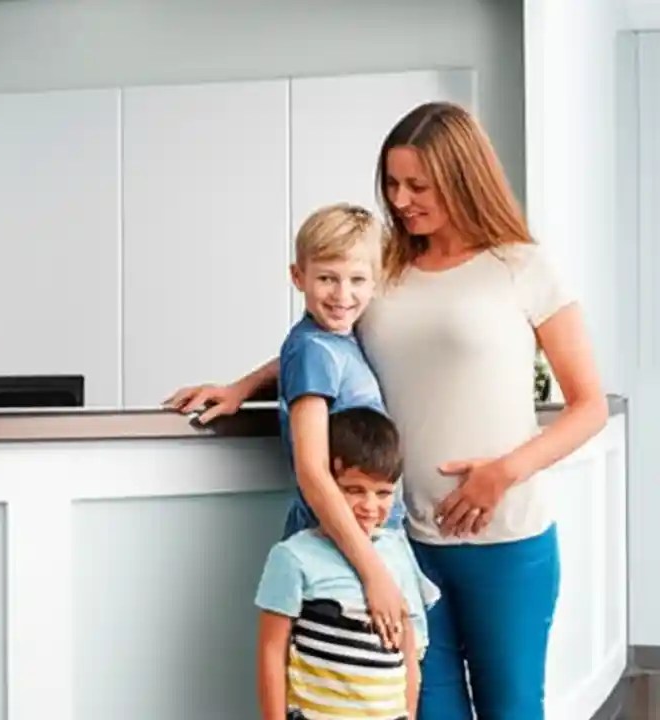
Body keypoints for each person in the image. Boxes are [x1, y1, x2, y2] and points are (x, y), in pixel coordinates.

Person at [168, 101, 608, 719]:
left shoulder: (522, 267)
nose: (400, 201)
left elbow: (589, 406)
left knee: (511, 710)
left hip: (506, 539)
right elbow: (328, 342)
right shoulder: (386, 269)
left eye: (417, 186)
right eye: (393, 184)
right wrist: (244, 386)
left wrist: (502, 473)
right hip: (403, 542)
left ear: (461, 176)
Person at [275, 202, 410, 650]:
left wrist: (244, 385)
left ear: (375, 282)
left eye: (357, 280)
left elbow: (307, 360)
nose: (342, 294)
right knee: (350, 678)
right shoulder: (314, 349)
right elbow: (313, 472)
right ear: (298, 277)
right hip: (341, 553)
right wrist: (374, 573)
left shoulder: (338, 338)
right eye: (327, 279)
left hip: (364, 540)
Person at [256, 408, 438, 720]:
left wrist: (408, 713)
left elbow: (408, 642)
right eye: (354, 490)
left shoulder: (396, 552)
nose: (370, 506)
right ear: (326, 485)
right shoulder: (294, 557)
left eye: (383, 493)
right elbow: (272, 650)